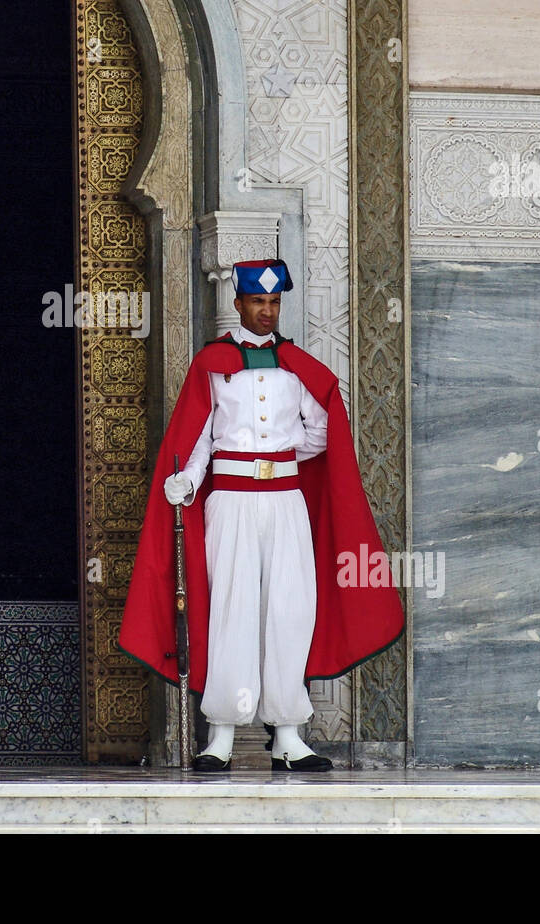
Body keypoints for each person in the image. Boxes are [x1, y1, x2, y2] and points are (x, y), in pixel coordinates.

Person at [118, 259, 404, 771]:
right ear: (239, 303)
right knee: (232, 608)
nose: (267, 311)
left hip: (286, 501)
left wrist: (284, 458)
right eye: (258, 302)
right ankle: (221, 735)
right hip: (229, 501)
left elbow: (322, 433)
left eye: (274, 303)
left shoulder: (297, 366)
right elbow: (198, 434)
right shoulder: (212, 363)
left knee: (289, 609)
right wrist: (187, 479)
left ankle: (289, 735)